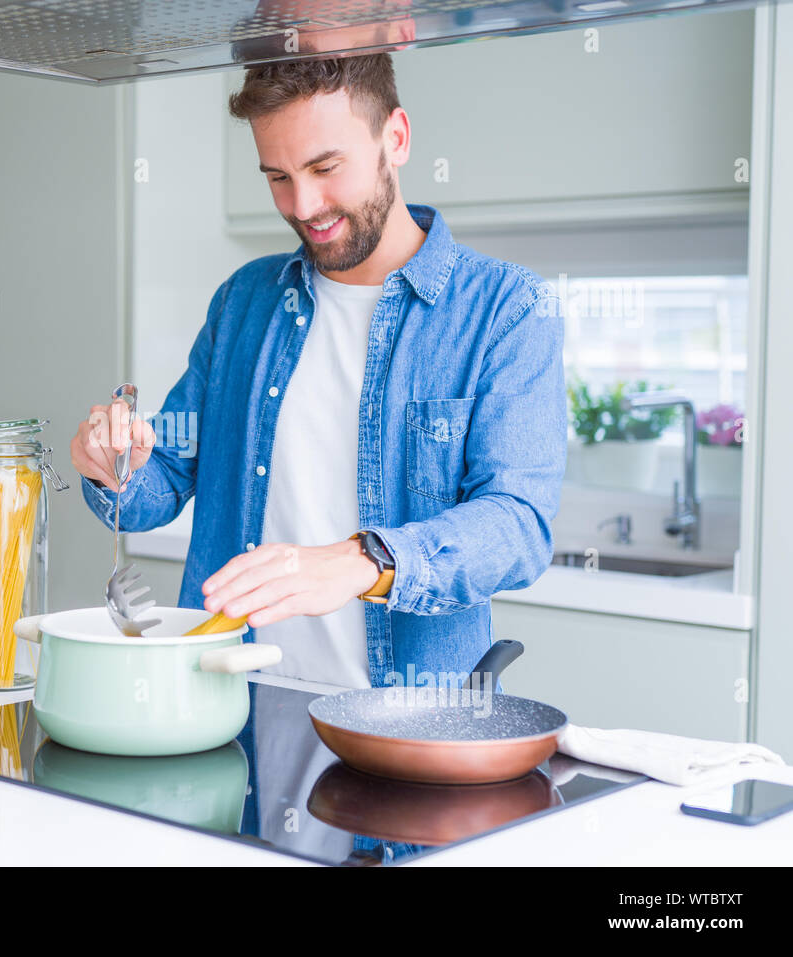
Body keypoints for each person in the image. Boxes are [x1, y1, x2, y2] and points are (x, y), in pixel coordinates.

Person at [69, 53, 566, 690]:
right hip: (231, 704)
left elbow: (519, 525)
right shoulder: (243, 301)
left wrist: (365, 560)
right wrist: (115, 464)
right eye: (277, 176)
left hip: (407, 724)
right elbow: (161, 476)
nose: (304, 205)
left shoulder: (505, 309)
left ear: (396, 138)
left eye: (325, 168)